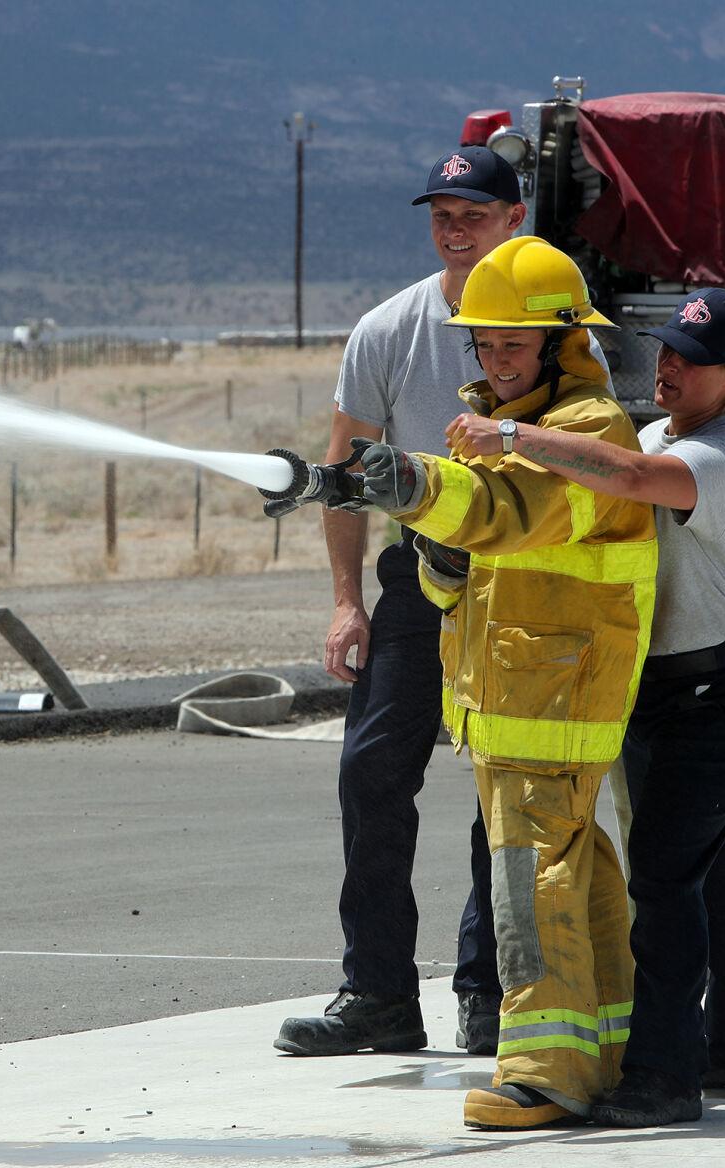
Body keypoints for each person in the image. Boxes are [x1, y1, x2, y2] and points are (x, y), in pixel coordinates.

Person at [447, 288, 725, 1126]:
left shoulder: (714, 459)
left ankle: (665, 1080)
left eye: (694, 359)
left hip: (715, 700)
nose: (670, 366)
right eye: (667, 349)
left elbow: (631, 479)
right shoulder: (655, 432)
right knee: (708, 870)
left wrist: (512, 432)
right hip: (657, 694)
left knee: (666, 884)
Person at [342, 236, 656, 1129]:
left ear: (563, 343)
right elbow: (458, 576)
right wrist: (427, 534)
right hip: (517, 694)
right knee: (580, 870)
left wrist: (416, 483)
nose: (493, 358)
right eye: (482, 342)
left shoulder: (587, 431)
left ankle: (542, 1073)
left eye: (512, 343)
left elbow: (510, 511)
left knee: (530, 882)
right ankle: (604, 1051)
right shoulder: (496, 426)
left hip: (552, 696)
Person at [277, 147, 533, 1059]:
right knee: (371, 772)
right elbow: (344, 478)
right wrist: (348, 603)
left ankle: (491, 991)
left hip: (524, 583)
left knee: (501, 787)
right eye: (442, 212)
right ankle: (378, 993)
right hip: (418, 580)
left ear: (515, 216)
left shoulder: (556, 317)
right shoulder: (387, 329)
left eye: (474, 210)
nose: (455, 226)